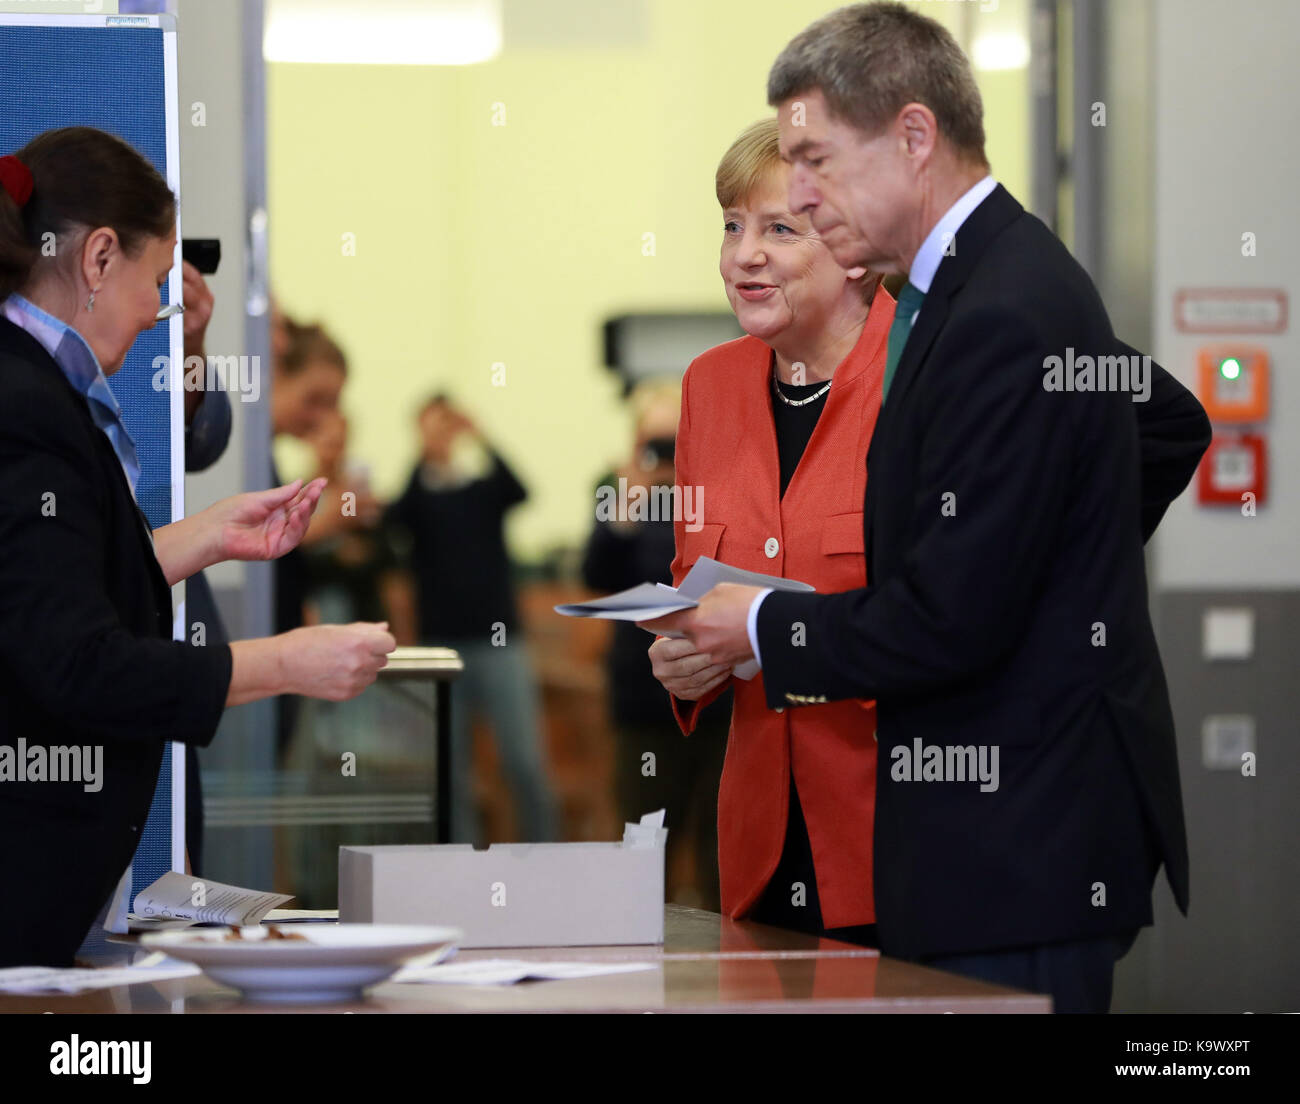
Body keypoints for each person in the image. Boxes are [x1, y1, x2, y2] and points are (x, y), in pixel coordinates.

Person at [646, 3, 1212, 1012]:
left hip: (1009, 839)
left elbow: (955, 607)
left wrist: (1044, 576)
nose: (802, 201)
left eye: (813, 167)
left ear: (912, 136)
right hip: (917, 842)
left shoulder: (992, 308)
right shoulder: (962, 291)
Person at [0, 127, 395, 967]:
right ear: (100, 258)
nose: (159, 313)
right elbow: (76, 663)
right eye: (157, 279)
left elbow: (47, 588)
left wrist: (207, 536)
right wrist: (285, 663)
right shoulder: (27, 408)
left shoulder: (32, 390)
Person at [645, 118, 895, 944]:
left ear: (853, 247)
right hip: (756, 850)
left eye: (778, 229)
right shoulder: (708, 387)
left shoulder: (930, 369)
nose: (740, 255)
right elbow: (697, 590)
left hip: (897, 840)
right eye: (730, 226)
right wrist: (688, 665)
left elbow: (957, 616)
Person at [581, 381, 729, 910]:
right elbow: (595, 573)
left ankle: (729, 975)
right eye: (654, 442)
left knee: (721, 845)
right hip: (641, 697)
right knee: (644, 843)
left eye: (675, 440)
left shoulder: (721, 482)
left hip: (719, 690)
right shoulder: (620, 489)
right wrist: (627, 504)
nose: (665, 456)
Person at [385, 395, 557, 846]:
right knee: (449, 769)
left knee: (524, 760)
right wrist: (423, 455)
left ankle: (545, 854)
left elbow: (520, 490)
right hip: (441, 649)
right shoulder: (419, 497)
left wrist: (480, 435)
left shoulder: (482, 490)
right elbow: (395, 521)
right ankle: (459, 860)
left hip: (502, 643)